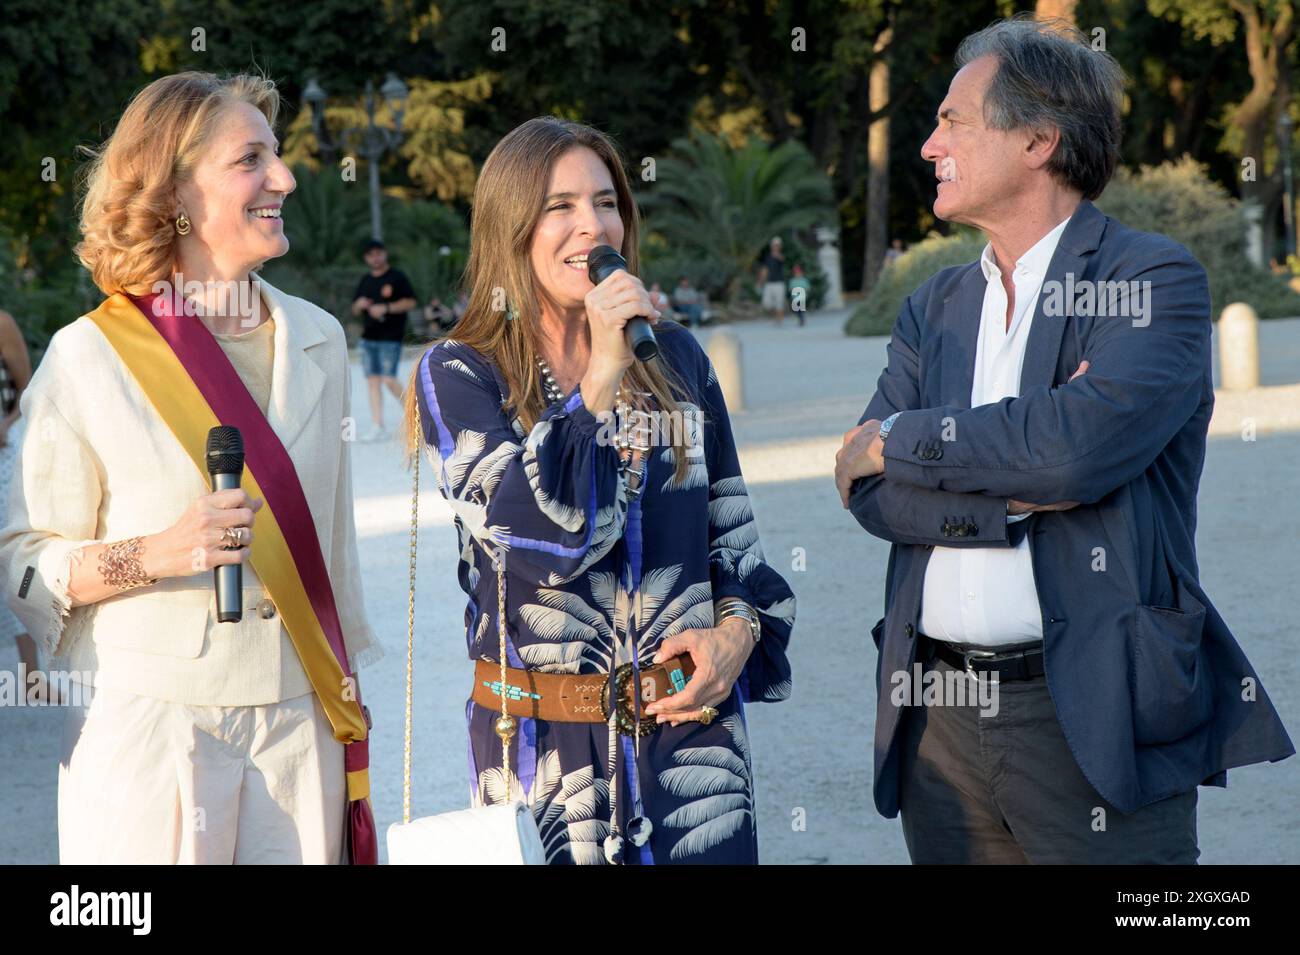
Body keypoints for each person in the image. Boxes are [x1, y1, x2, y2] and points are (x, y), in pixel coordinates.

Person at [834, 18, 1293, 864]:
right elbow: (870, 493)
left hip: (1090, 707)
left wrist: (897, 436)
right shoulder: (932, 307)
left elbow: (1074, 452)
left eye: (951, 120)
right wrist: (1011, 493)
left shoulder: (1151, 279)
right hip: (935, 716)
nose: (929, 144)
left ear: (1039, 139)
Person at [0, 71, 381, 864]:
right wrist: (154, 553)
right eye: (251, 160)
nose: (284, 176)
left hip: (299, 724)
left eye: (278, 154)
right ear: (175, 190)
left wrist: (342, 702)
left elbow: (332, 558)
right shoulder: (89, 356)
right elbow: (21, 563)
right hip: (155, 730)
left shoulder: (320, 338)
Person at [405, 116, 795, 864]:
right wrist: (599, 380)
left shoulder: (678, 357)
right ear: (511, 225)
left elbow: (736, 551)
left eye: (607, 201)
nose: (592, 225)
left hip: (694, 752)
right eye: (560, 206)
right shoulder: (461, 373)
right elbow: (537, 540)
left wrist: (734, 638)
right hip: (545, 761)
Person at [0, 308, 45, 701]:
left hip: (4, 451)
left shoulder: (2, 323)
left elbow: (26, 392)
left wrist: (5, 424)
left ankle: (31, 678)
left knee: (12, 556)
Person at [351, 239, 417, 441]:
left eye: (378, 253)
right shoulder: (365, 280)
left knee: (389, 379)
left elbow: (411, 302)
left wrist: (386, 308)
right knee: (372, 381)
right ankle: (377, 425)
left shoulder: (397, 277)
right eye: (371, 254)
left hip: (390, 337)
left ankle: (416, 416)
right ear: (366, 258)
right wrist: (359, 304)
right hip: (368, 338)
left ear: (385, 254)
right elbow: (354, 309)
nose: (375, 257)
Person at [757, 236, 786, 324]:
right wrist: (760, 282)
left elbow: (782, 259)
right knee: (766, 304)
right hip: (769, 283)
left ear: (780, 247)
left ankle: (779, 319)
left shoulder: (780, 257)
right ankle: (776, 316)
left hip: (779, 283)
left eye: (777, 245)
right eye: (774, 245)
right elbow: (764, 270)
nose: (775, 247)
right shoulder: (767, 257)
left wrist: (777, 255)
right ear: (771, 246)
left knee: (779, 302)